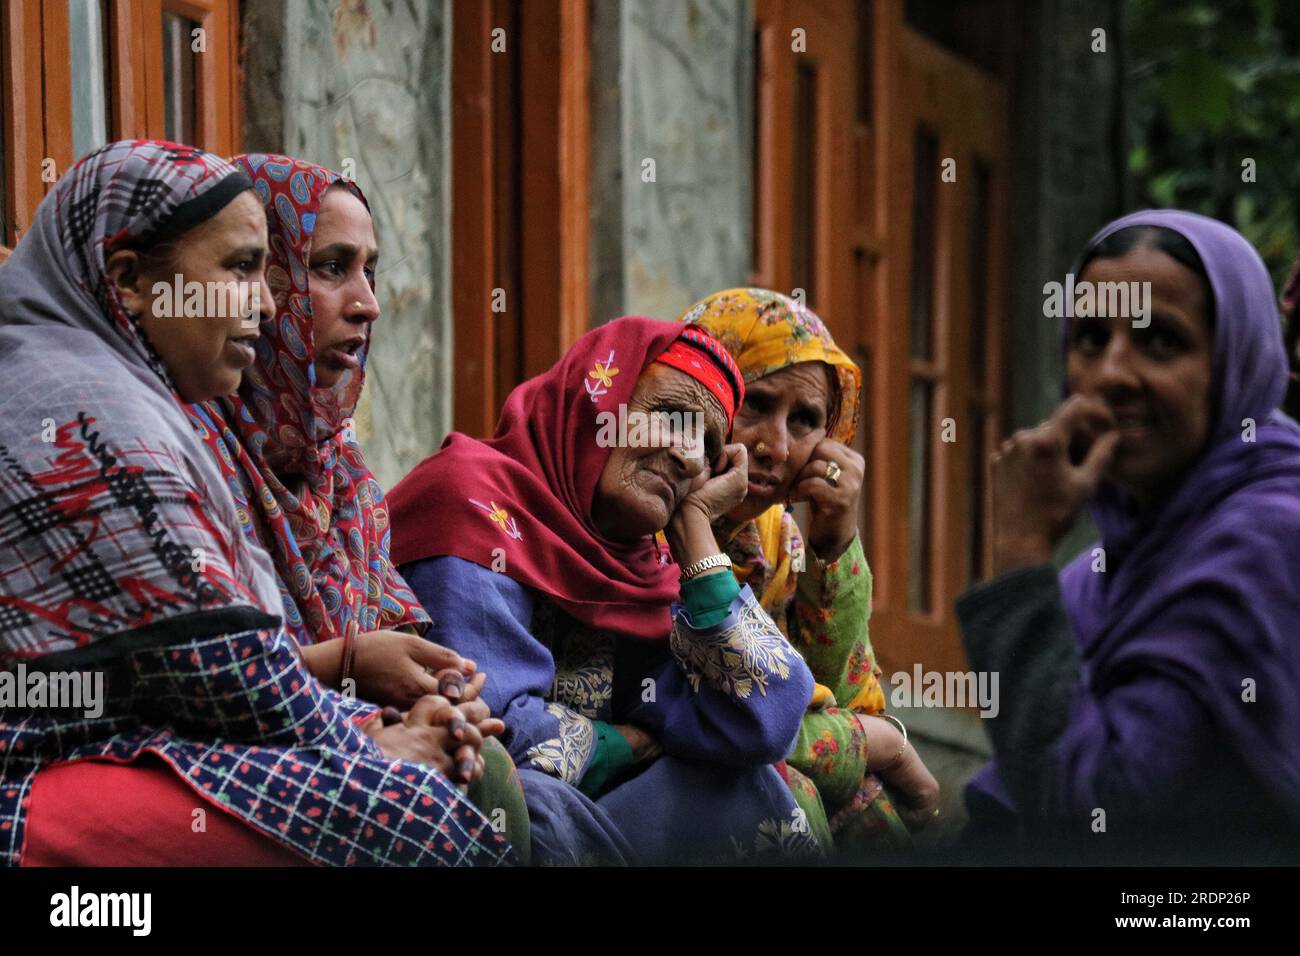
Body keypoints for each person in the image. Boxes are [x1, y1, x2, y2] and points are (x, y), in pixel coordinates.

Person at [0, 139, 511, 867]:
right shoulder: (88, 414)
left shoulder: (163, 413)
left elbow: (214, 677)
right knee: (413, 818)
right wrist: (370, 743)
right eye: (244, 269)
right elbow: (227, 671)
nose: (269, 304)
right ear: (129, 280)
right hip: (33, 776)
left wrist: (385, 721)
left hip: (113, 745)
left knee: (460, 787)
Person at [182, 154, 526, 852]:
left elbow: (400, 636)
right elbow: (189, 680)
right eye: (332, 267)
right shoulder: (187, 450)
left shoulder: (343, 475)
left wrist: (434, 699)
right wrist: (351, 677)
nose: (367, 301)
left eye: (370, 269)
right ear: (260, 283)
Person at [388, 317, 821, 864]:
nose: (689, 457)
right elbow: (484, 726)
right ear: (599, 403)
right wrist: (631, 742)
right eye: (670, 418)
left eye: (708, 447)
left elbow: (767, 719)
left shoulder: (643, 568)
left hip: (589, 824)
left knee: (746, 783)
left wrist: (695, 527)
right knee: (537, 800)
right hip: (481, 822)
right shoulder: (470, 502)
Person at [958, 210, 1300, 863]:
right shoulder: (1102, 574)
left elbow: (1099, 818)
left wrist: (1019, 556)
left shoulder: (1270, 539)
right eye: (1090, 338)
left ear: (1237, 363)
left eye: (1160, 341)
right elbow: (1008, 802)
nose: (1113, 373)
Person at [681, 287, 939, 854]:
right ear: (697, 395)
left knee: (864, 801)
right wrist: (885, 746)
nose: (775, 446)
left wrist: (834, 540)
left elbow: (845, 692)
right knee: (787, 788)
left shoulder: (777, 538)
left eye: (804, 420)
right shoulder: (650, 517)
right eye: (754, 403)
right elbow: (718, 722)